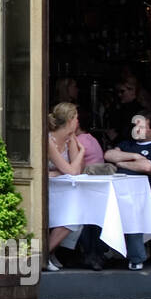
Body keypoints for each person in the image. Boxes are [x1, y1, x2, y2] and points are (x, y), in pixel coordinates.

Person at [105, 112, 151, 270]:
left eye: (141, 126)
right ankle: (96, 253)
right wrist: (134, 156)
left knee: (131, 209)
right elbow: (109, 154)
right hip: (114, 192)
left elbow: (147, 167)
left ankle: (136, 257)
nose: (136, 130)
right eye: (135, 126)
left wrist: (120, 163)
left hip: (140, 197)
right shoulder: (127, 144)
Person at [45, 101, 86, 270]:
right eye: (76, 118)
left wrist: (78, 150)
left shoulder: (70, 138)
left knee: (77, 210)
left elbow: (77, 170)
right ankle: (44, 255)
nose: (78, 121)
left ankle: (49, 252)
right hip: (47, 189)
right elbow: (71, 170)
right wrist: (81, 153)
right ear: (69, 120)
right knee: (72, 214)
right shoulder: (49, 141)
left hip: (61, 186)